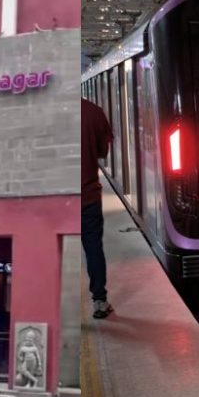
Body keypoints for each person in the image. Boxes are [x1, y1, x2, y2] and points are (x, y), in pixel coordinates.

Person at [81, 98, 113, 319]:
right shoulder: (93, 112)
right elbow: (103, 152)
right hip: (87, 196)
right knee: (93, 248)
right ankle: (99, 301)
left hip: (57, 201)